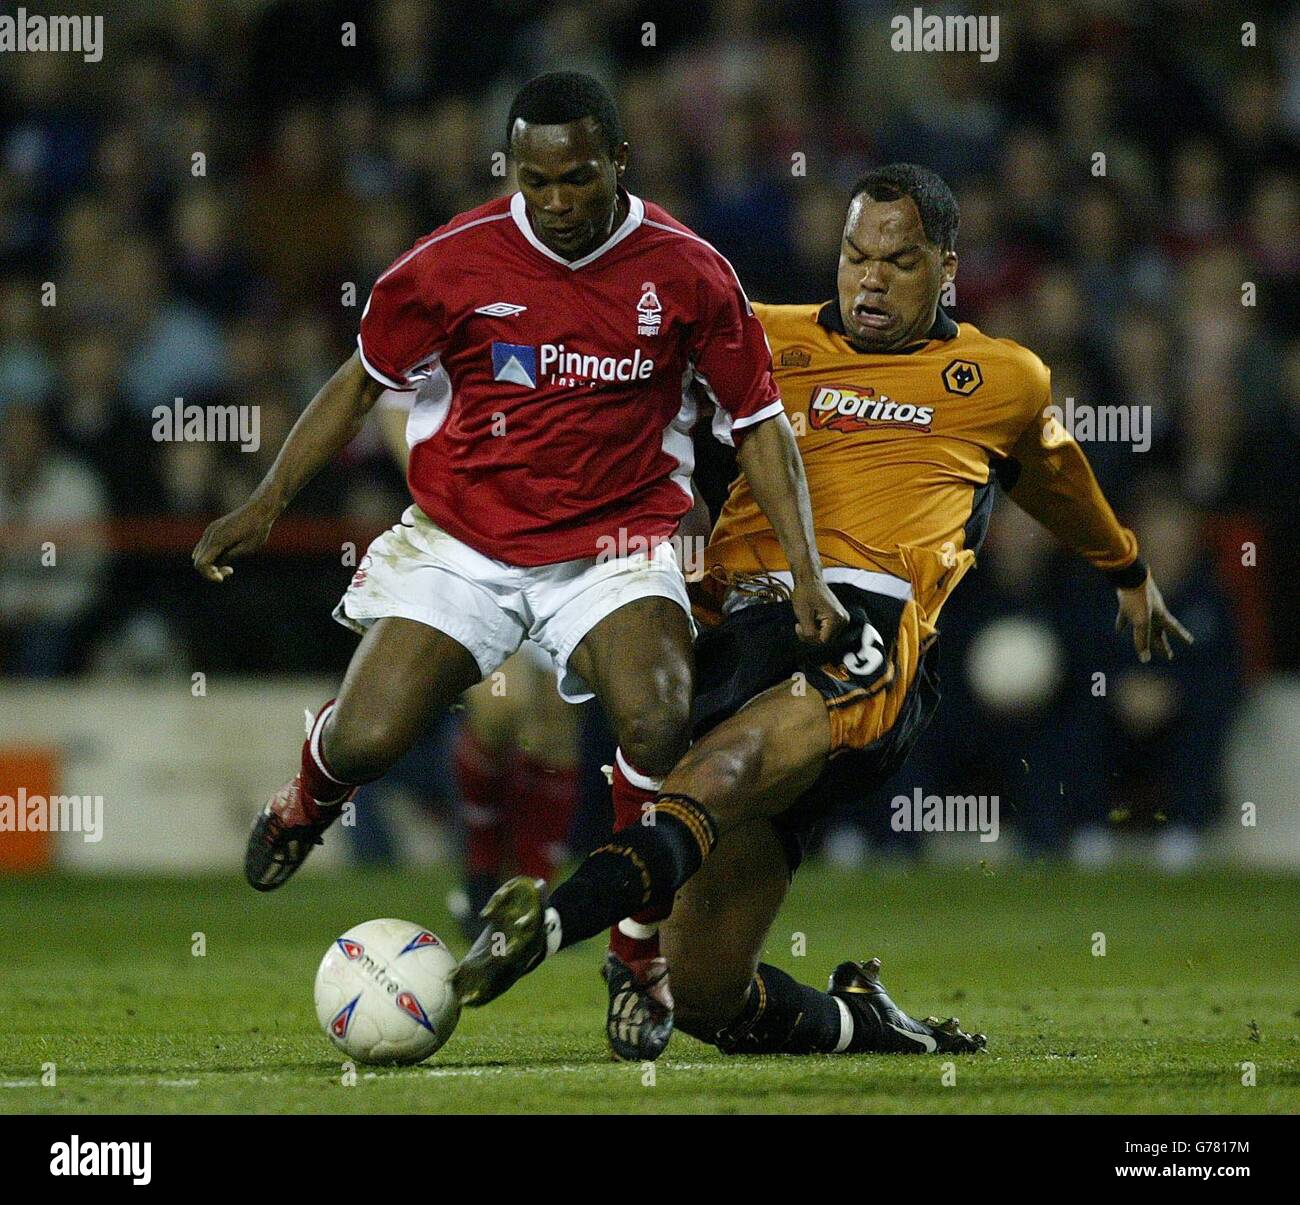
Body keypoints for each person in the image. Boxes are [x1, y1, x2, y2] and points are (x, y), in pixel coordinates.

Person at [452, 164, 1193, 1061]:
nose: (870, 279)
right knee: (709, 993)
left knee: (721, 768)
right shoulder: (762, 337)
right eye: (854, 256)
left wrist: (1125, 567)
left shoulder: (1003, 378)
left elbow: (1060, 480)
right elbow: (612, 375)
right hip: (735, 628)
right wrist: (507, 369)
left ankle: (551, 929)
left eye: (899, 261)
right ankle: (862, 1021)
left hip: (859, 634)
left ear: (948, 270)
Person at [191, 73, 845, 916]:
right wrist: (265, 501)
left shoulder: (689, 272)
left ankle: (634, 950)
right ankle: (309, 798)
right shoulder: (453, 261)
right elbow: (361, 384)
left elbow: (757, 422)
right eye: (535, 182)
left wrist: (808, 570)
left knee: (656, 717)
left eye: (577, 178)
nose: (557, 201)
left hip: (615, 543)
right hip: (468, 539)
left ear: (619, 161)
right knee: (368, 735)